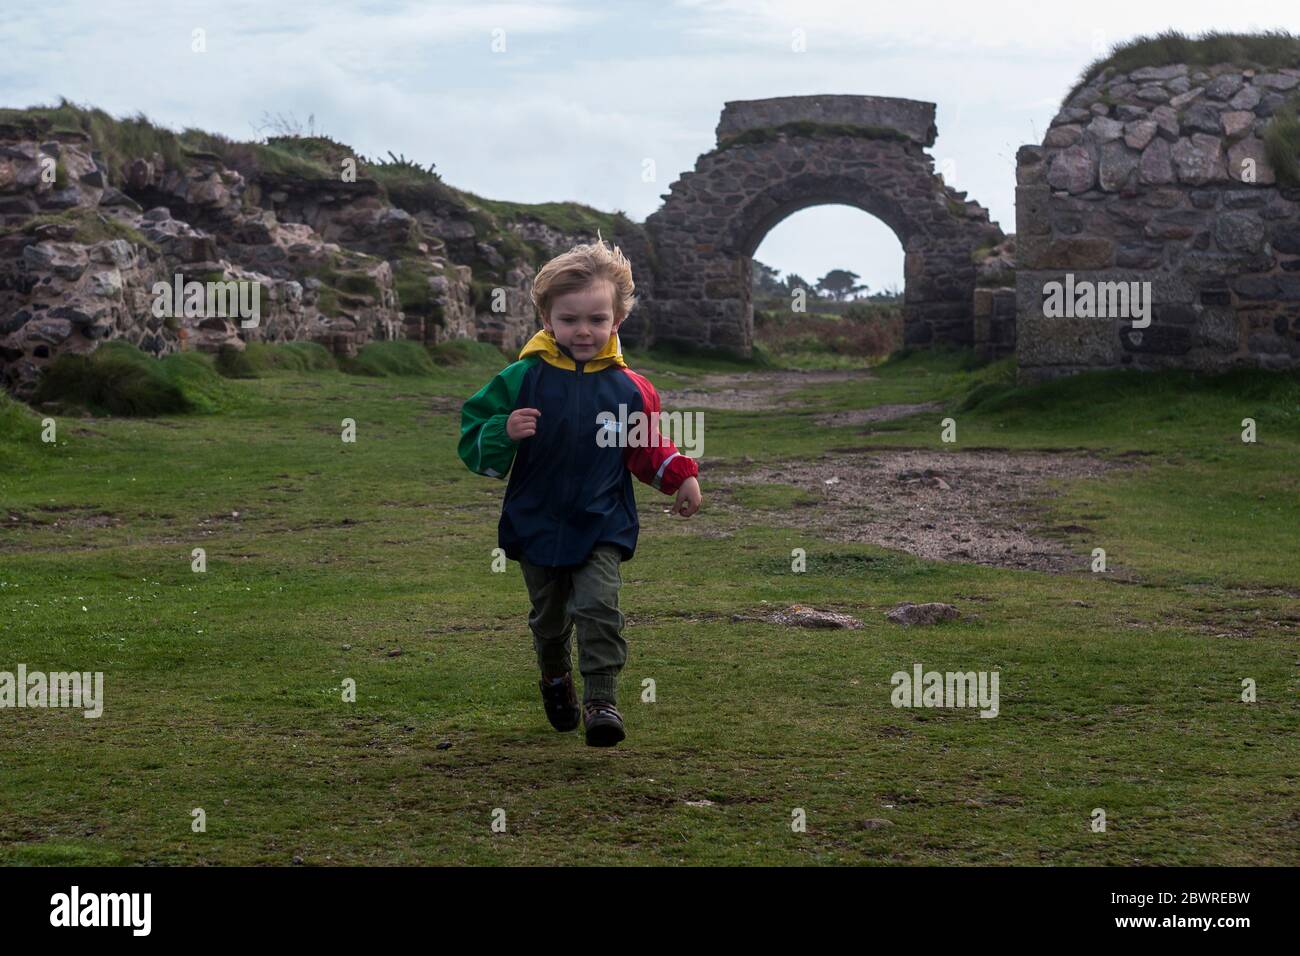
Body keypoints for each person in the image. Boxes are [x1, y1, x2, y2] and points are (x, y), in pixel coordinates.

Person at [458, 235, 702, 747]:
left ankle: (602, 701)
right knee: (549, 621)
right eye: (570, 320)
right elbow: (471, 430)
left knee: (598, 606)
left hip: (602, 517)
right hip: (536, 517)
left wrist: (681, 475)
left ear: (617, 320)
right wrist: (502, 430)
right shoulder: (521, 377)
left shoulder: (630, 387)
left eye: (596, 319)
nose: (583, 330)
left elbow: (647, 445)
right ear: (547, 318)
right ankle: (554, 677)